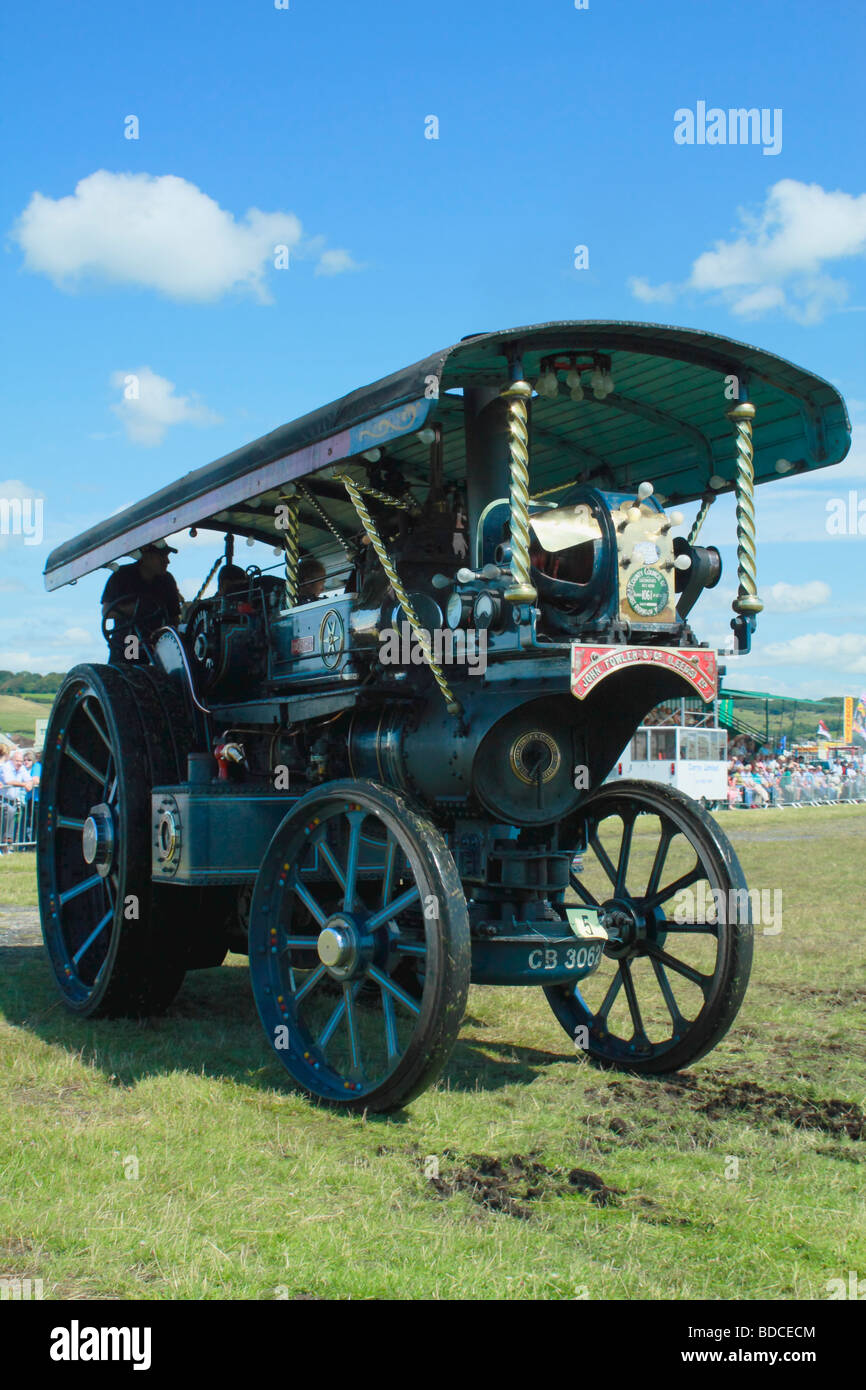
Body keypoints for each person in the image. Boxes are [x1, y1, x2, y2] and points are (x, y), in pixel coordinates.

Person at [101, 540, 183, 659]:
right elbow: (107, 612)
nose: (167, 561)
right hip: (130, 642)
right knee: (132, 668)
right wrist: (139, 608)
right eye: (162, 556)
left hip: (158, 643)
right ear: (146, 556)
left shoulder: (167, 581)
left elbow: (174, 618)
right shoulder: (121, 576)